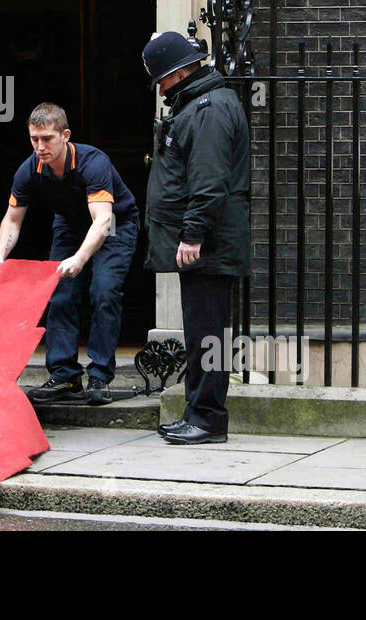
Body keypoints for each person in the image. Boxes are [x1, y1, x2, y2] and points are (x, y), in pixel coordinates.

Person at [0, 103, 139, 405]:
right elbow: (12, 219)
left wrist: (80, 259)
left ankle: (99, 377)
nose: (40, 147)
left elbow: (102, 221)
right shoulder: (28, 169)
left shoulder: (92, 163)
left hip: (112, 225)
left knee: (104, 291)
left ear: (65, 135)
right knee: (59, 293)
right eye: (34, 139)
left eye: (47, 138)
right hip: (70, 224)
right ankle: (65, 376)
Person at [141, 32, 250, 445]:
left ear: (179, 73)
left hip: (209, 243)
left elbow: (209, 182)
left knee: (207, 333)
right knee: (203, 330)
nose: (162, 91)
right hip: (209, 241)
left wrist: (192, 236)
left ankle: (206, 418)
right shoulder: (202, 105)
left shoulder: (207, 110)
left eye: (163, 82)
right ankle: (199, 413)